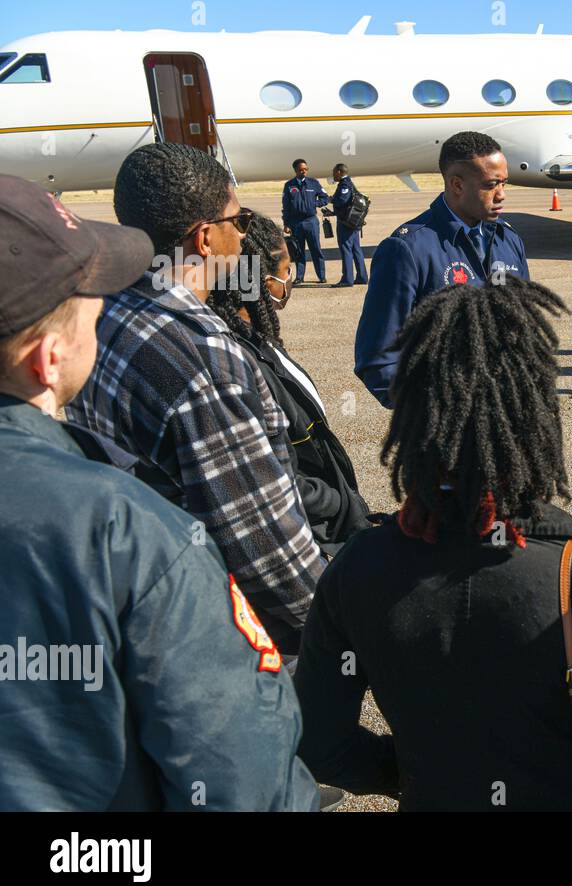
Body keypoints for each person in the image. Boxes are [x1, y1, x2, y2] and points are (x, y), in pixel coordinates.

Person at [295, 278, 572, 811]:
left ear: (410, 408)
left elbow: (321, 745)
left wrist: (417, 773)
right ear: (534, 412)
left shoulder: (356, 568)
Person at [0, 175, 317, 811]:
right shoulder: (132, 533)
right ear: (49, 358)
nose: (109, 306)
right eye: (92, 303)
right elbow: (236, 773)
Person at [65, 143, 324, 654]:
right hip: (224, 634)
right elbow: (265, 550)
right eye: (240, 219)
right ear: (205, 238)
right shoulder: (205, 364)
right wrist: (341, 627)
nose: (246, 232)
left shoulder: (103, 311)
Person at [207, 213, 373, 555]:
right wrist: (340, 503)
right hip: (308, 535)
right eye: (286, 269)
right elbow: (272, 474)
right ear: (260, 278)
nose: (290, 279)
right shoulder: (241, 359)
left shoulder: (263, 341)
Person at [354, 130, 529, 408]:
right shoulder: (408, 249)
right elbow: (378, 358)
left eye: (504, 183)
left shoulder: (510, 241)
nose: (502, 195)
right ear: (457, 185)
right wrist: (435, 410)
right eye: (491, 185)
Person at [281, 158, 329, 285]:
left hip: (311, 222)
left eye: (306, 169)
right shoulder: (289, 185)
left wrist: (315, 203)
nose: (304, 172)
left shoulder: (313, 183)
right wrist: (286, 224)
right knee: (298, 251)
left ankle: (321, 276)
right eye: (301, 170)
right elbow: (286, 207)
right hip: (296, 223)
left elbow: (325, 198)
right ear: (295, 170)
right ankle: (300, 277)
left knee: (316, 249)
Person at [328, 162, 368, 288]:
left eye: (334, 172)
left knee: (346, 249)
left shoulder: (345, 184)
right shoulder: (348, 183)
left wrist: (331, 199)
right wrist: (333, 212)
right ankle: (362, 277)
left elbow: (342, 200)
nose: (333, 175)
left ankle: (347, 279)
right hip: (353, 223)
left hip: (346, 224)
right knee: (356, 249)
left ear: (339, 172)